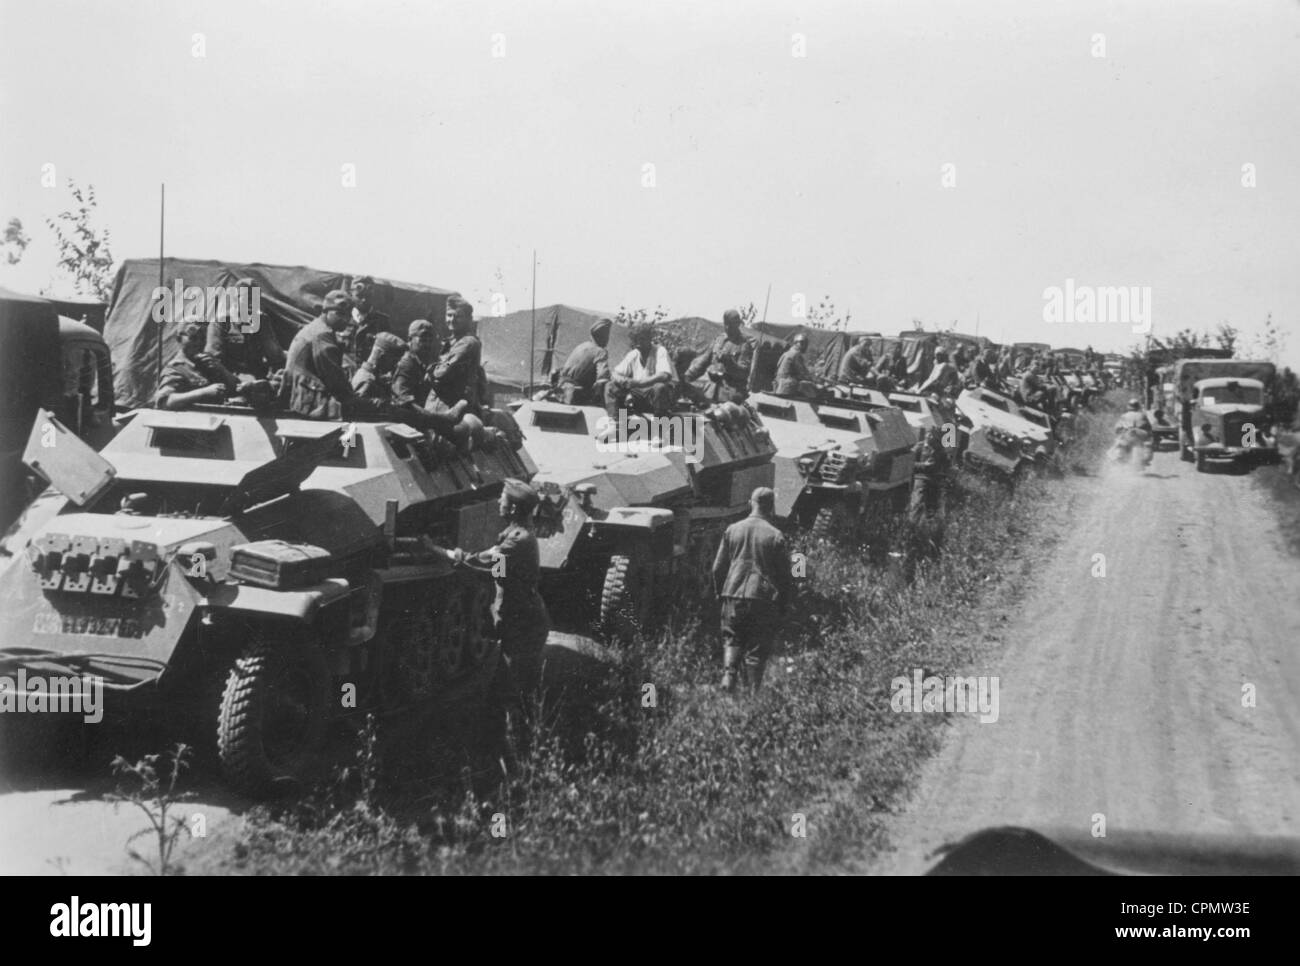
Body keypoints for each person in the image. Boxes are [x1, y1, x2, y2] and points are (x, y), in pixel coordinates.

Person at [437, 479, 550, 705]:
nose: (498, 501)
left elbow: (481, 562)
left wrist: (436, 550)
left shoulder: (517, 542)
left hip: (523, 627)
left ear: (514, 508)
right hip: (520, 621)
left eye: (502, 498)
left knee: (513, 694)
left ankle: (521, 735)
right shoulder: (515, 534)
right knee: (508, 689)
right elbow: (491, 564)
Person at [711, 486, 794, 692]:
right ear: (771, 507)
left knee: (732, 637)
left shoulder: (733, 529)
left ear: (751, 503)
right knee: (757, 646)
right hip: (762, 598)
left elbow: (717, 568)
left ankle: (729, 677)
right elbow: (785, 575)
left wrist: (718, 592)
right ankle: (752, 695)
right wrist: (785, 602)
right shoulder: (776, 535)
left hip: (733, 593)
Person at [283, 290, 375, 419]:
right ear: (325, 311)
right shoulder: (322, 334)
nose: (345, 319)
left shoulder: (316, 327)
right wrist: (356, 400)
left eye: (348, 315)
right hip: (311, 402)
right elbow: (334, 378)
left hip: (300, 395)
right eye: (339, 314)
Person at [205, 277, 285, 379]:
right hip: (229, 378)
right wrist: (234, 378)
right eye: (248, 298)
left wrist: (278, 373)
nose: (252, 303)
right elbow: (213, 360)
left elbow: (275, 356)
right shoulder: (221, 322)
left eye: (255, 298)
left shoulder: (262, 320)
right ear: (235, 298)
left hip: (258, 378)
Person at [156, 318, 244, 410]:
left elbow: (239, 388)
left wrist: (221, 369)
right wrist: (204, 392)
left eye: (203, 338)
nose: (199, 342)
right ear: (179, 339)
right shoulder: (176, 368)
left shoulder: (208, 363)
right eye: (193, 338)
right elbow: (164, 402)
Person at [606, 322, 677, 417]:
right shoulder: (633, 354)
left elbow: (664, 375)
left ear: (649, 339)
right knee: (611, 386)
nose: (638, 343)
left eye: (642, 339)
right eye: (636, 340)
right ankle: (615, 420)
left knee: (659, 387)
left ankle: (660, 425)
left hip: (662, 397)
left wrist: (639, 383)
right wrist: (624, 381)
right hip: (640, 394)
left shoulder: (660, 351)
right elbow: (615, 373)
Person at [685, 309, 756, 404]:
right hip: (711, 389)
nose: (727, 327)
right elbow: (704, 361)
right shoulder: (718, 340)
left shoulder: (744, 345)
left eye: (730, 324)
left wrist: (729, 362)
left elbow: (743, 373)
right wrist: (687, 376)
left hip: (730, 391)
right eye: (725, 324)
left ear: (737, 324)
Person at [431, 295, 482, 410]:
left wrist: (435, 368)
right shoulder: (451, 341)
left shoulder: (467, 343)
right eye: (449, 315)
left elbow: (445, 369)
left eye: (458, 316)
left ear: (468, 319)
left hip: (455, 405)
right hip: (442, 401)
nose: (452, 319)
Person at [556, 317, 613, 405]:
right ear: (603, 337)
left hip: (562, 390)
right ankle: (621, 418)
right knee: (621, 404)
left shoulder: (581, 346)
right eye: (607, 335)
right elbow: (602, 379)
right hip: (580, 395)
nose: (608, 339)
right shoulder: (600, 351)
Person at [344, 275, 392, 372]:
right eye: (360, 296)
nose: (364, 300)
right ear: (350, 294)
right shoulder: (343, 317)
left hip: (367, 375)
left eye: (368, 296)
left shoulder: (382, 322)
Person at [909, 424, 950, 522]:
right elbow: (909, 464)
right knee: (918, 503)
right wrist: (923, 465)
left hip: (934, 481)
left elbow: (946, 466)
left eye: (932, 435)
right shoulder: (919, 447)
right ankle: (912, 524)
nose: (929, 437)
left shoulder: (940, 450)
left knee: (932, 508)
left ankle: (928, 527)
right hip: (921, 479)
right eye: (928, 434)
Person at [351, 332, 406, 403]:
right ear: (382, 357)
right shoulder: (368, 381)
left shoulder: (371, 376)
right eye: (394, 360)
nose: (395, 365)